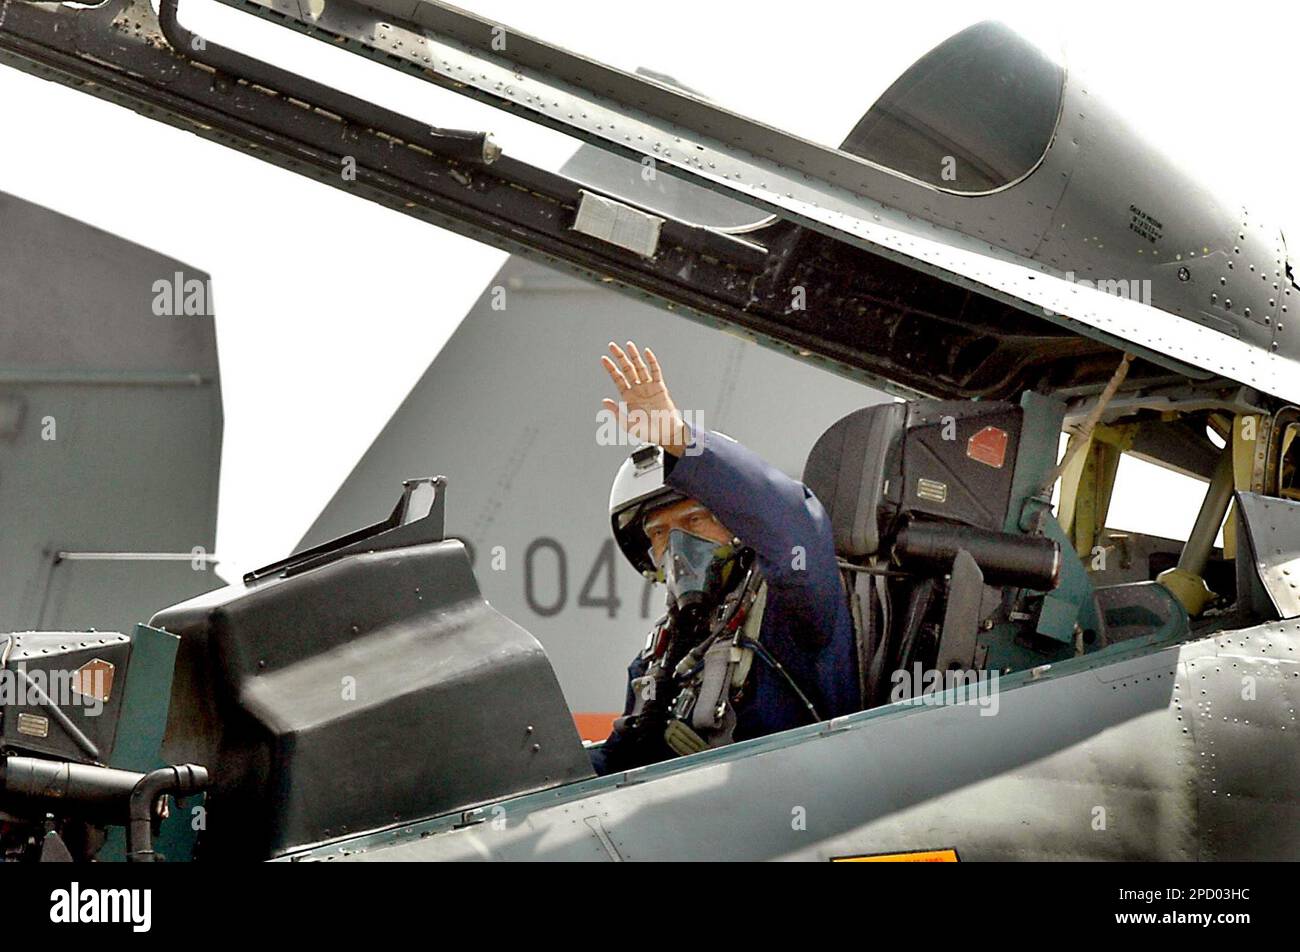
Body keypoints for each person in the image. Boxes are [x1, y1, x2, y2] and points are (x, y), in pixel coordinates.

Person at [590, 341, 857, 775]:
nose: (676, 546)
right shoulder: (659, 656)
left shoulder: (795, 611)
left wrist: (680, 438)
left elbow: (790, 527)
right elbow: (622, 765)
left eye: (694, 522)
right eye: (658, 534)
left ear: (739, 526)